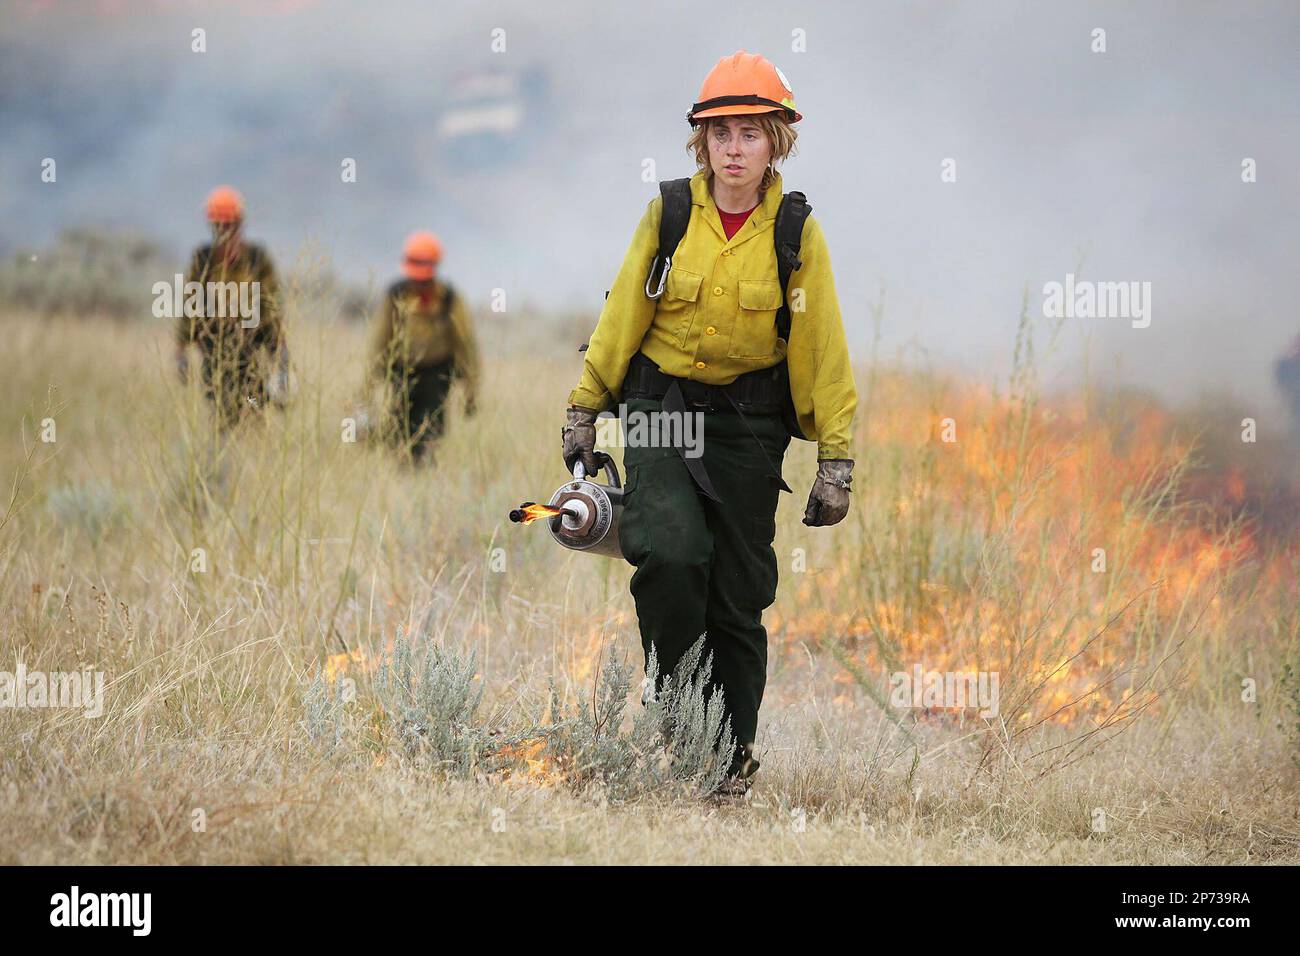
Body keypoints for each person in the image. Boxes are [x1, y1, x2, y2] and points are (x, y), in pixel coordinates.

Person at [561, 50, 858, 795]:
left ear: (776, 141)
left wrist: (836, 458)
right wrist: (585, 407)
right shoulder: (667, 214)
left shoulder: (796, 233)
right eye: (720, 133)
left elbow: (822, 346)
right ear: (701, 142)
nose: (733, 149)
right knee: (669, 553)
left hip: (750, 431)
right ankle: (685, 728)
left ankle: (729, 765)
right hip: (661, 415)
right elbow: (622, 313)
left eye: (750, 134)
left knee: (738, 594)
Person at [176, 186, 289, 430]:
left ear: (240, 225)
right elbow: (190, 307)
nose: (225, 232)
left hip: (251, 352)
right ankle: (227, 452)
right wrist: (181, 351)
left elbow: (271, 307)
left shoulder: (257, 259)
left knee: (254, 403)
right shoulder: (202, 259)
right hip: (214, 353)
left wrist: (280, 356)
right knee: (222, 409)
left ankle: (251, 447)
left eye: (230, 225)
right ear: (212, 227)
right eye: (219, 226)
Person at [367, 231, 480, 461]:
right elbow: (379, 343)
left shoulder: (449, 300)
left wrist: (471, 390)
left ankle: (423, 476)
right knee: (398, 431)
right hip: (401, 372)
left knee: (430, 433)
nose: (419, 282)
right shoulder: (395, 296)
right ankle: (401, 475)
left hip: (437, 376)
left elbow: (466, 346)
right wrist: (366, 389)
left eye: (424, 278)